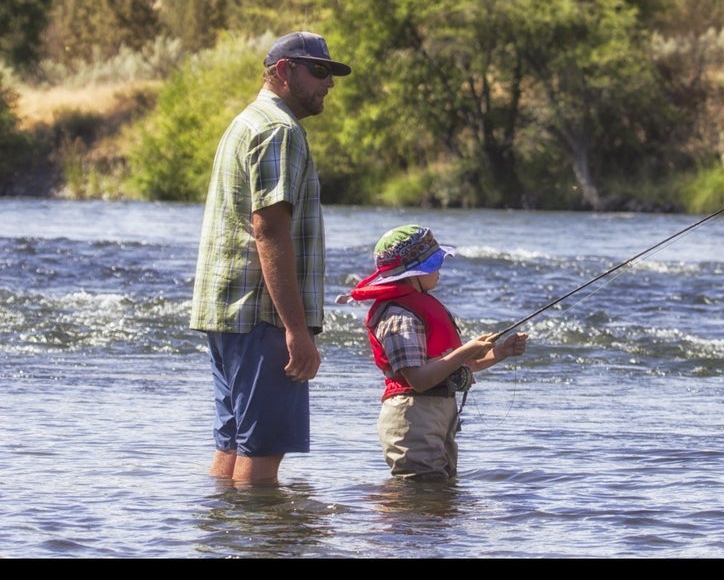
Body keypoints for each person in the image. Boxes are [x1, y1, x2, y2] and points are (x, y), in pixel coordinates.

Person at [189, 31, 351, 484]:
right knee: (262, 455)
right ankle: (266, 547)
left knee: (233, 445)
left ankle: (224, 540)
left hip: (227, 314)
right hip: (262, 318)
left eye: (330, 73)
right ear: (284, 71)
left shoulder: (246, 122)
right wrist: (296, 331)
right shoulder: (279, 130)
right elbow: (269, 230)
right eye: (319, 71)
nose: (328, 83)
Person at [347, 224, 528, 481]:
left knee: (441, 498)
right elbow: (419, 380)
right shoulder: (399, 316)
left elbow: (454, 367)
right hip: (412, 418)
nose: (439, 270)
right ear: (412, 274)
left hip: (437, 416)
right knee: (420, 495)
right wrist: (467, 350)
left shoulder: (418, 307)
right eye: (433, 265)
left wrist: (500, 352)